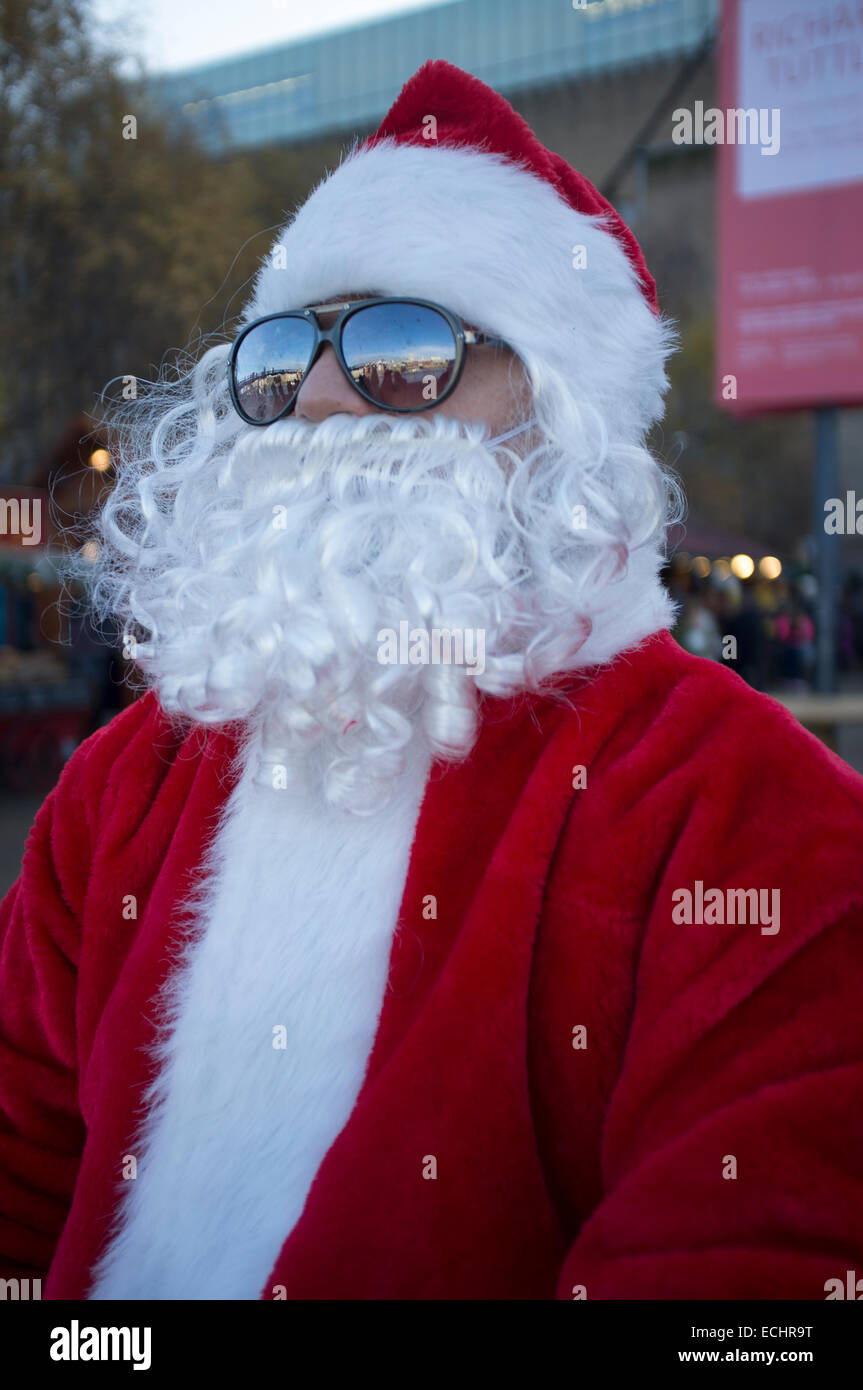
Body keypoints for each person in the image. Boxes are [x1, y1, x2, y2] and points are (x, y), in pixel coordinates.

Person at [2, 60, 863, 1303]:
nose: (319, 396)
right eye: (281, 351)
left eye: (403, 349)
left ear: (558, 419)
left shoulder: (753, 821)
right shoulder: (121, 785)